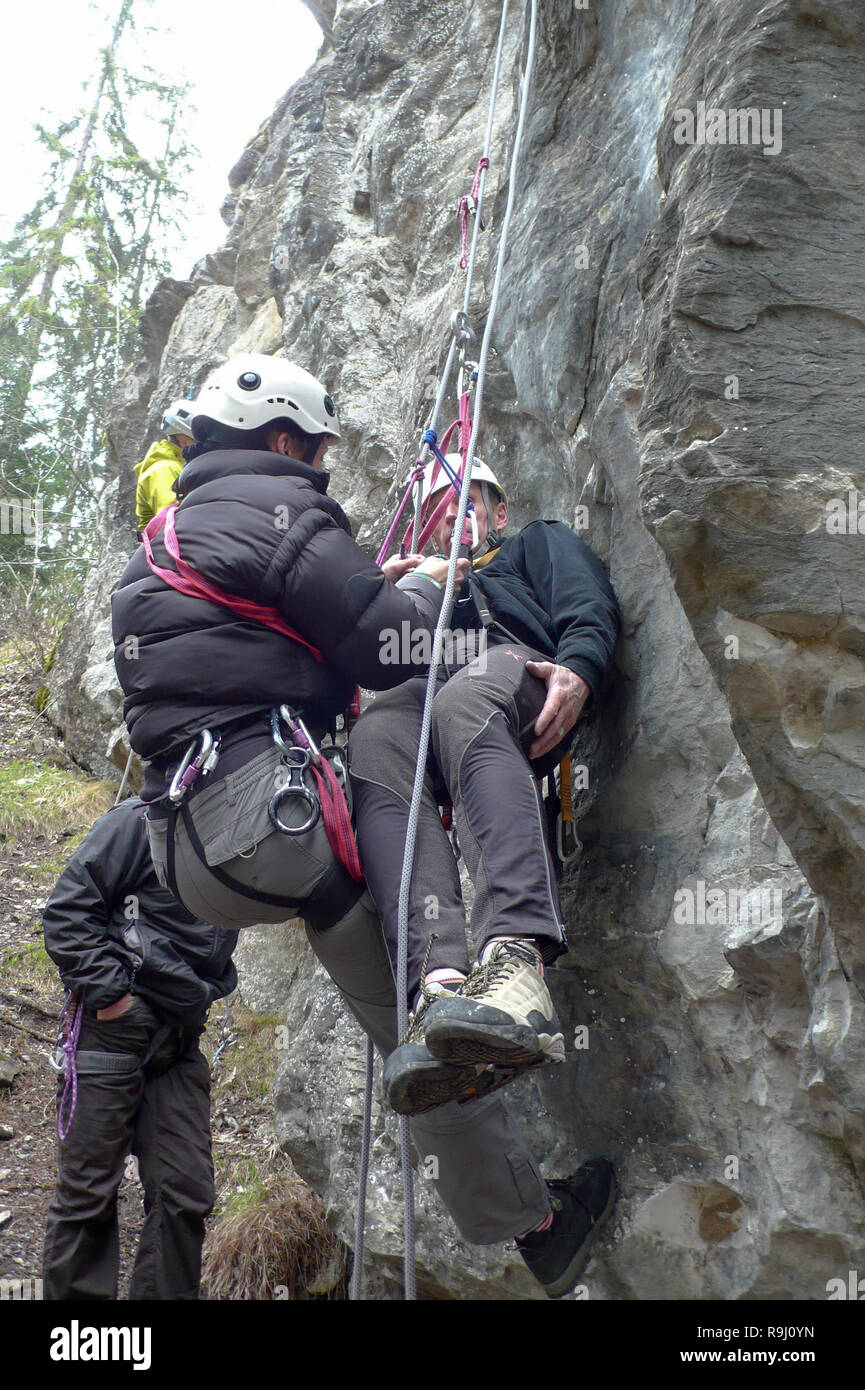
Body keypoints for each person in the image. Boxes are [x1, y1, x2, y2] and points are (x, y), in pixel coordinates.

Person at [346, 451, 623, 1295]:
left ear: (497, 512)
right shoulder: (411, 587)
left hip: (512, 672)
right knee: (374, 740)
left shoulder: (529, 545)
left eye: (467, 503)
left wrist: (579, 664)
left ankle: (515, 960)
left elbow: (584, 602)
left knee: (463, 699)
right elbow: (362, 673)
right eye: (435, 508)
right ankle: (440, 980)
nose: (451, 518)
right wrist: (381, 599)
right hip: (421, 704)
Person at [41, 795, 238, 1300]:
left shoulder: (240, 829)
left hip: (178, 1042)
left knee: (185, 1194)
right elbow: (66, 913)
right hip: (110, 1033)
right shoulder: (138, 822)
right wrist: (114, 997)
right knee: (87, 1199)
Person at [133, 399, 196, 532]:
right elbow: (171, 520)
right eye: (196, 440)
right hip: (170, 549)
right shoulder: (163, 470)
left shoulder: (177, 466)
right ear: (184, 441)